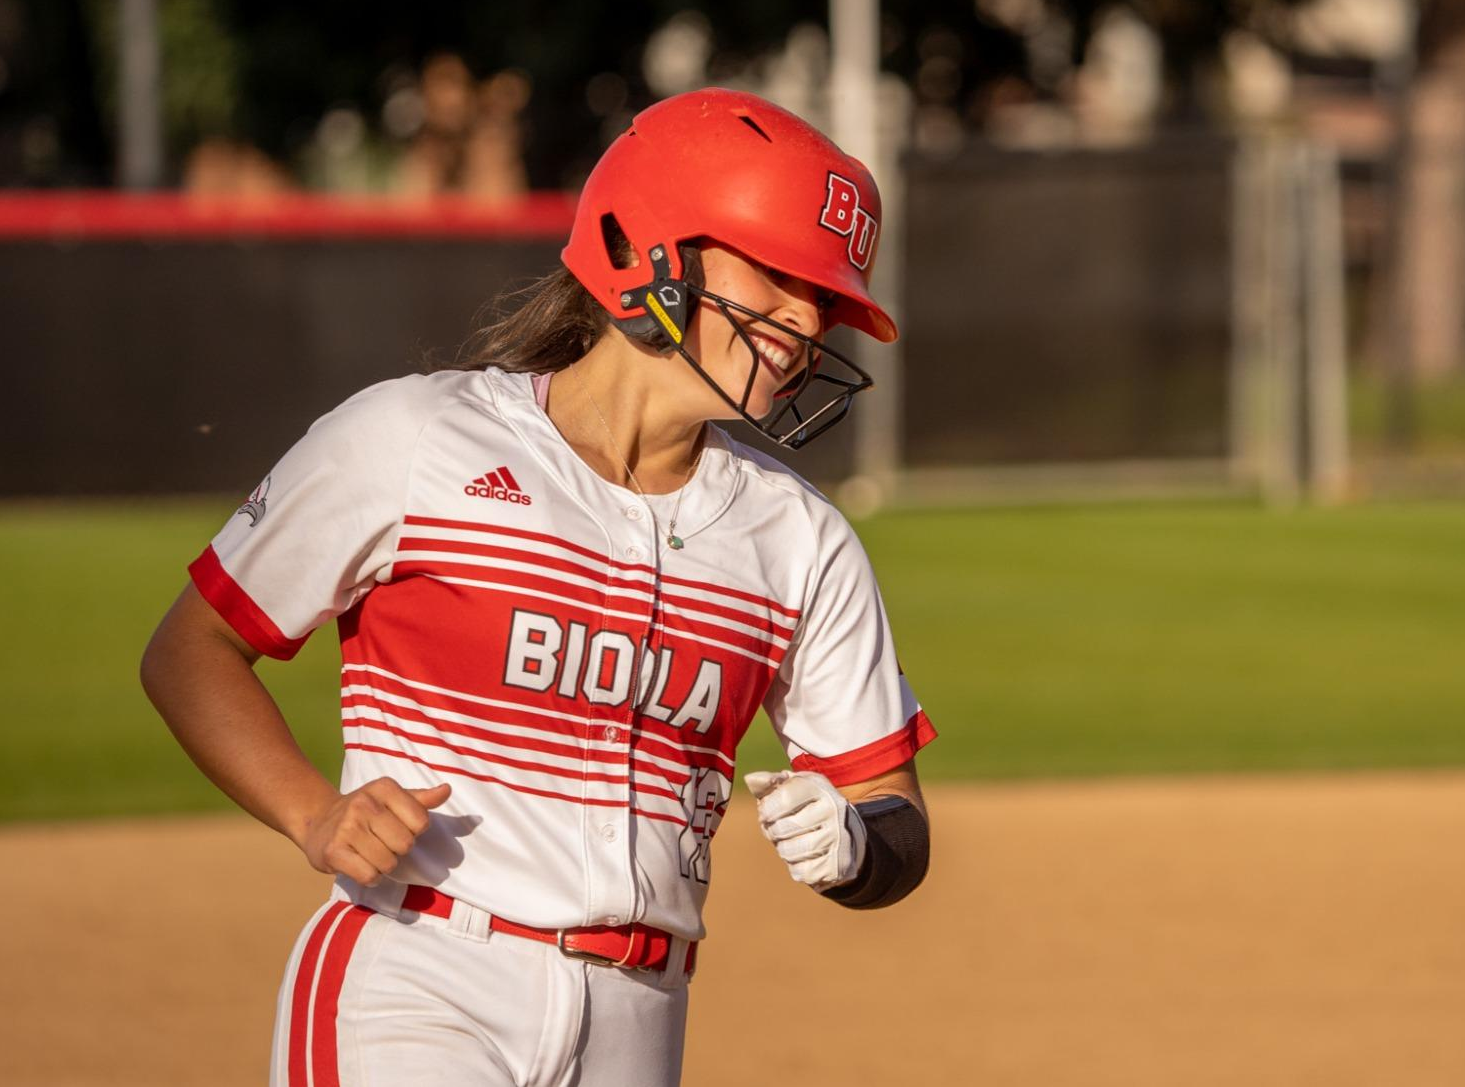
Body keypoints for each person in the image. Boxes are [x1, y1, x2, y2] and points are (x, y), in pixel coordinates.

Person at [140, 88, 936, 1087]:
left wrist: (858, 843)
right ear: (651, 248)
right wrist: (315, 814)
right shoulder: (417, 437)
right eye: (779, 273)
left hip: (642, 1021)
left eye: (825, 298)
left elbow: (894, 812)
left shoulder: (801, 540)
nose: (807, 318)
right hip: (420, 981)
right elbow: (191, 650)